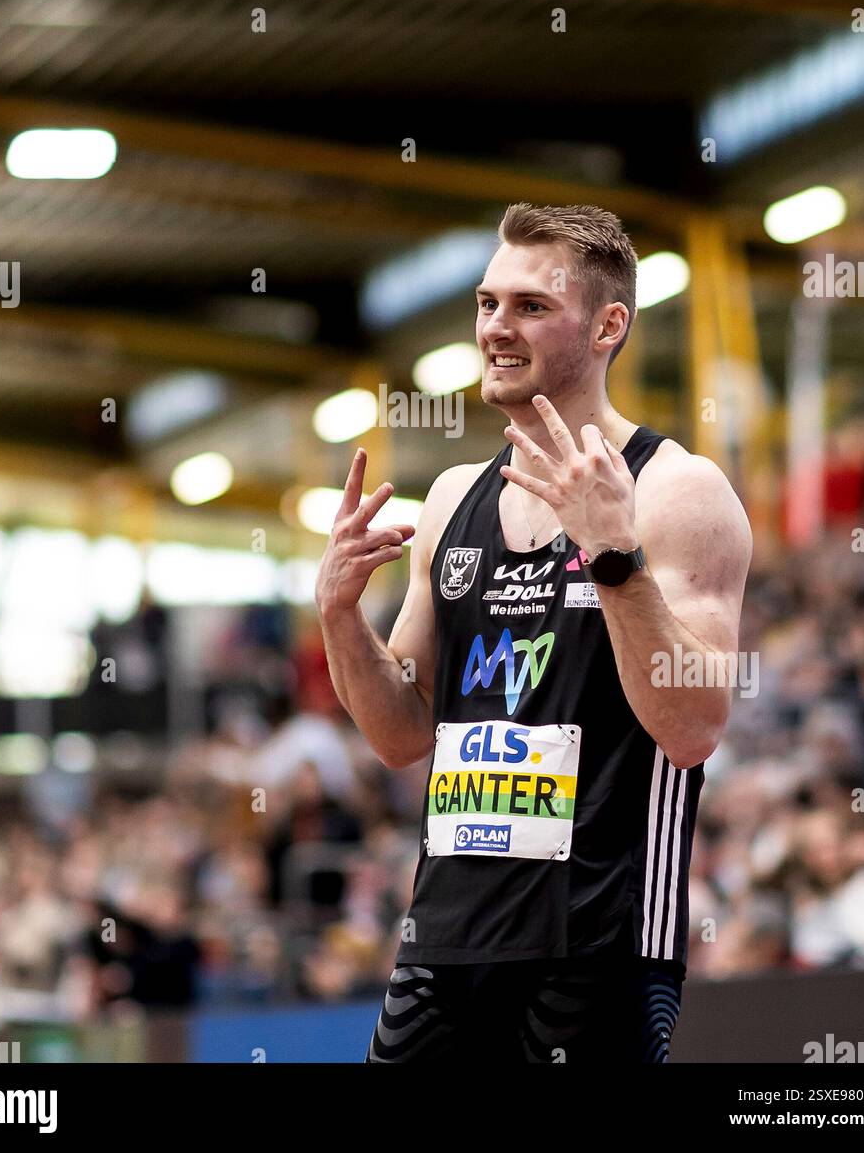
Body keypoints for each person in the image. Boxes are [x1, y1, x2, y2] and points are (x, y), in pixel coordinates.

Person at [315, 203, 753, 1063]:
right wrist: (338, 616)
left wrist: (613, 555)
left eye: (529, 307)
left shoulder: (677, 493)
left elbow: (693, 726)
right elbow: (403, 732)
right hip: (446, 937)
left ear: (607, 326)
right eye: (487, 304)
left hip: (596, 941)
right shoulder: (449, 501)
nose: (495, 329)